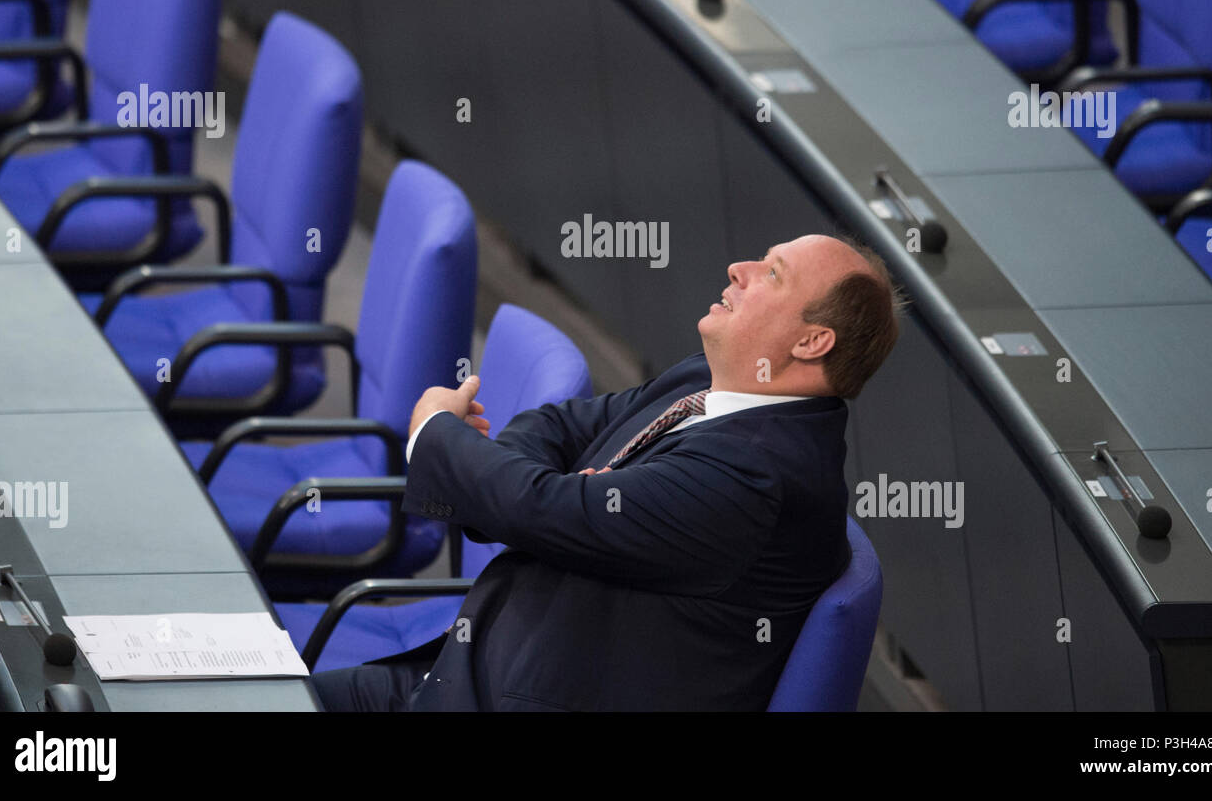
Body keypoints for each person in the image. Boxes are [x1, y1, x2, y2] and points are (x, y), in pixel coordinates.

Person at [311, 233, 901, 711]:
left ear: (812, 340)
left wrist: (434, 431)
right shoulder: (707, 380)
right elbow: (561, 426)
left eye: (772, 273)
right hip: (472, 667)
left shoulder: (757, 478)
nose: (738, 268)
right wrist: (543, 496)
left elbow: (544, 510)